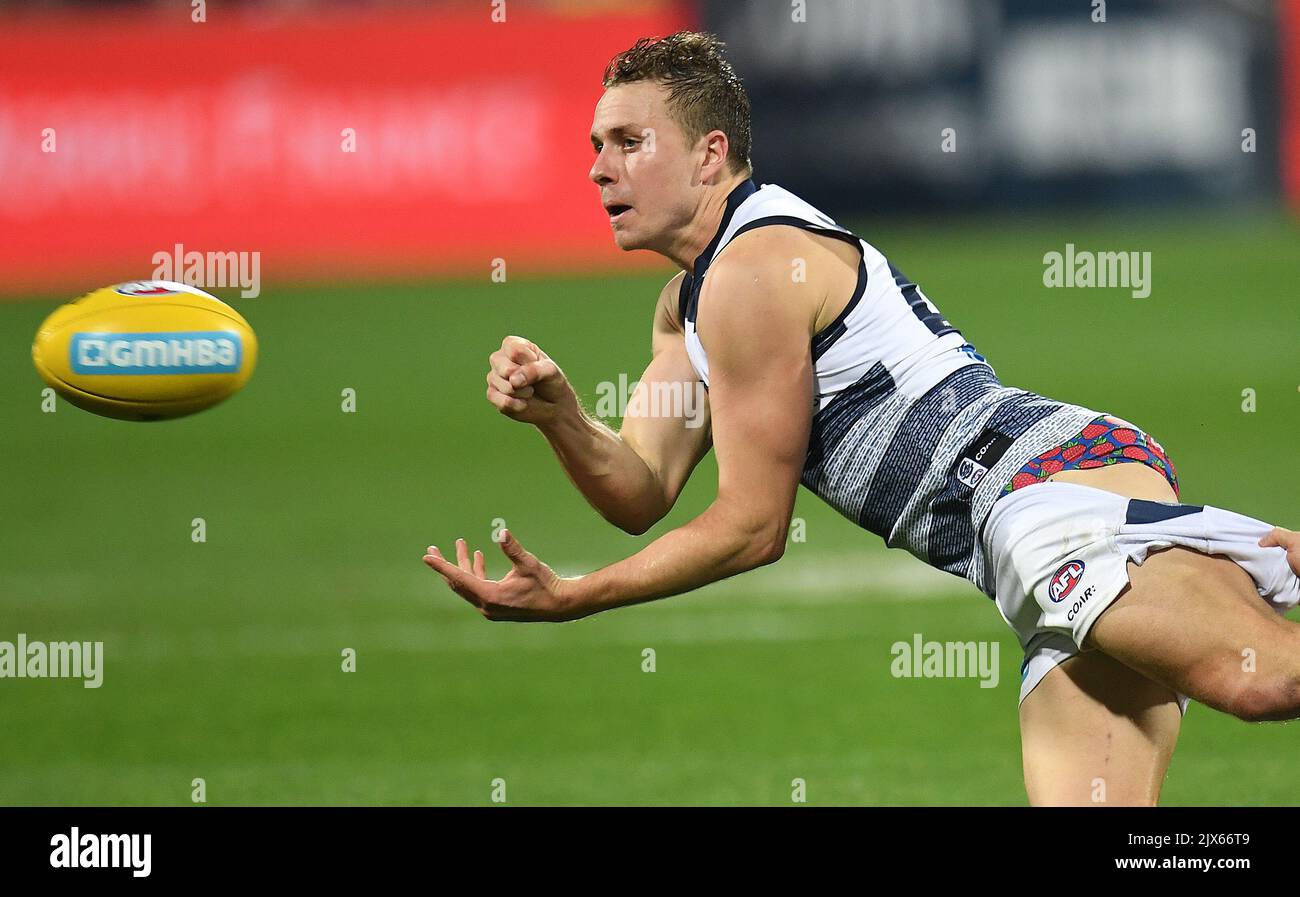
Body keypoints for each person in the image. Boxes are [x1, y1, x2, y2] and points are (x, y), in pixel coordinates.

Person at [423, 31, 1300, 805]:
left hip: (1044, 491)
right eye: (595, 144)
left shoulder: (755, 270)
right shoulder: (688, 305)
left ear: (708, 153)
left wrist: (577, 595)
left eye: (627, 141)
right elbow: (640, 487)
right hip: (1023, 541)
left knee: (1264, 681)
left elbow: (753, 527)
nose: (597, 165)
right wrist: (563, 417)